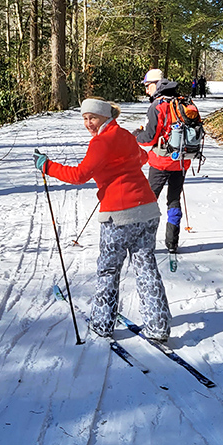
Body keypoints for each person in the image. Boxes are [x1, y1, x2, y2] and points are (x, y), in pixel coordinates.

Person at [34, 98, 171, 342]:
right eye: (85, 119)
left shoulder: (101, 141)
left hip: (118, 217)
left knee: (108, 270)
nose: (88, 123)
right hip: (148, 209)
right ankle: (158, 326)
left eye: (93, 118)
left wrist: (47, 166)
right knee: (146, 268)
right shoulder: (125, 135)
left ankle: (102, 324)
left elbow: (79, 175)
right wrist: (118, 169)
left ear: (105, 118)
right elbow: (142, 159)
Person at [134, 68, 191, 254]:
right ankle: (172, 243)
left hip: (161, 161)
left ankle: (142, 242)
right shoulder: (181, 101)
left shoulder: (157, 106)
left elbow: (149, 138)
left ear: (157, 84)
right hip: (182, 160)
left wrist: (136, 136)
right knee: (174, 199)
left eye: (148, 85)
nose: (146, 90)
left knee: (148, 200)